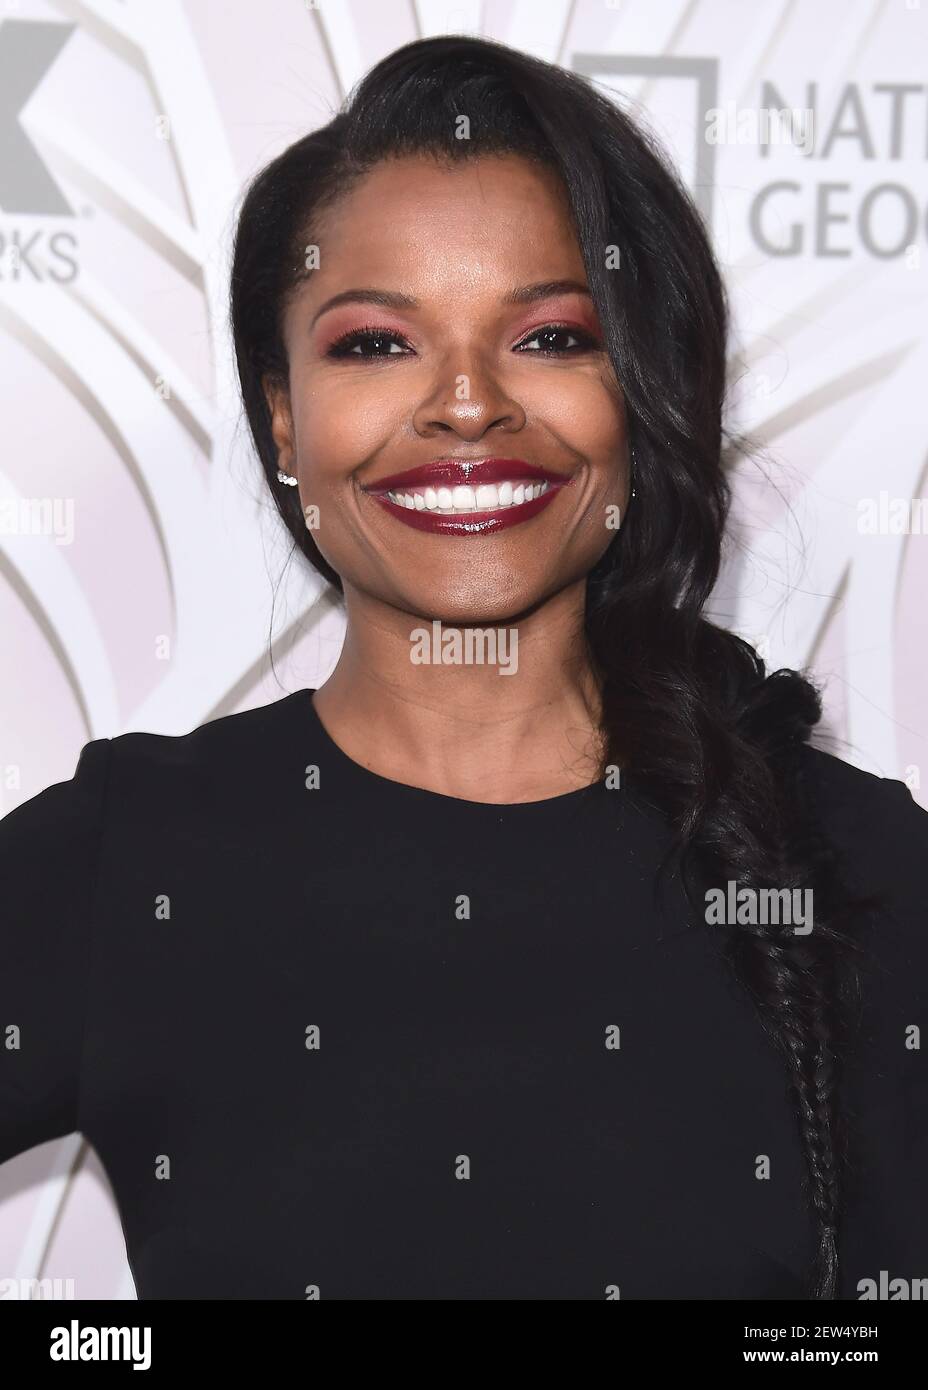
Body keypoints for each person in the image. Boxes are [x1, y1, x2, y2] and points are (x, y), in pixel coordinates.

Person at [2, 34, 925, 1301]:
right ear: (284, 415)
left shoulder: (858, 869)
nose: (466, 404)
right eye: (375, 344)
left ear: (640, 388)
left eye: (549, 336)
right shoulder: (133, 859)